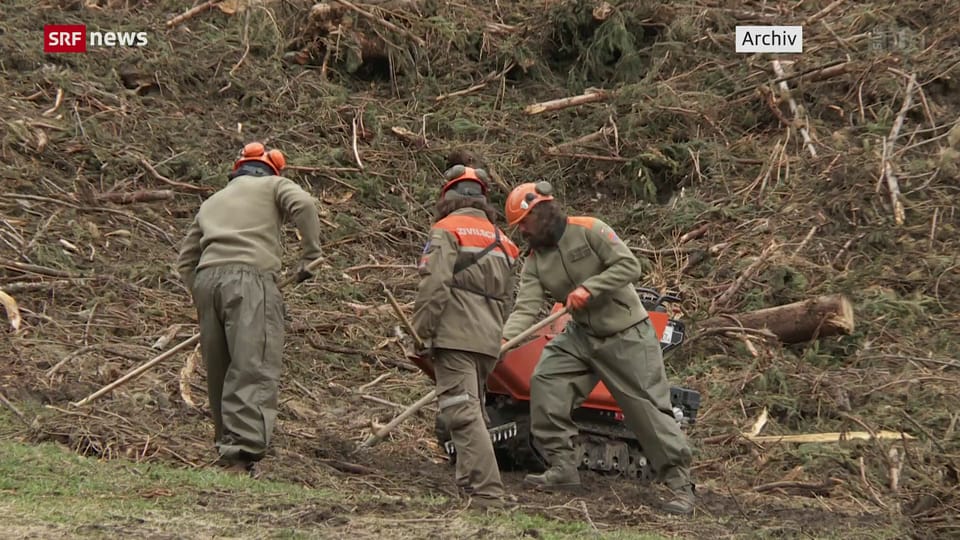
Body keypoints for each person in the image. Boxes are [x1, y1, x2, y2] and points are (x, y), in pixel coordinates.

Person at [499, 181, 696, 515]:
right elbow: (526, 307)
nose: (522, 231)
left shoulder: (590, 230)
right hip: (581, 335)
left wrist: (590, 288)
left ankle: (681, 485)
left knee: (646, 409)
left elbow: (630, 266)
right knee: (546, 379)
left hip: (627, 333)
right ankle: (562, 465)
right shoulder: (535, 259)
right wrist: (506, 341)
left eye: (524, 223)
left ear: (541, 212)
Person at [175, 142, 323, 475]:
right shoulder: (275, 185)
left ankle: (227, 448)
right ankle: (242, 452)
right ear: (273, 168)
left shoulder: (214, 200)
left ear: (238, 168)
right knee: (252, 364)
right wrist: (311, 254)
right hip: (250, 281)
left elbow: (185, 261)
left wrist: (202, 292)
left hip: (207, 281)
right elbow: (304, 204)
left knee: (221, 370)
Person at [412, 150, 520, 510]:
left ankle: (486, 494)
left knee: (461, 411)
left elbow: (434, 285)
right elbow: (507, 299)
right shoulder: (504, 241)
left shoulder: (446, 230)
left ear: (447, 198)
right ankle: (469, 483)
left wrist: (422, 332)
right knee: (473, 410)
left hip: (455, 337)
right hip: (488, 341)